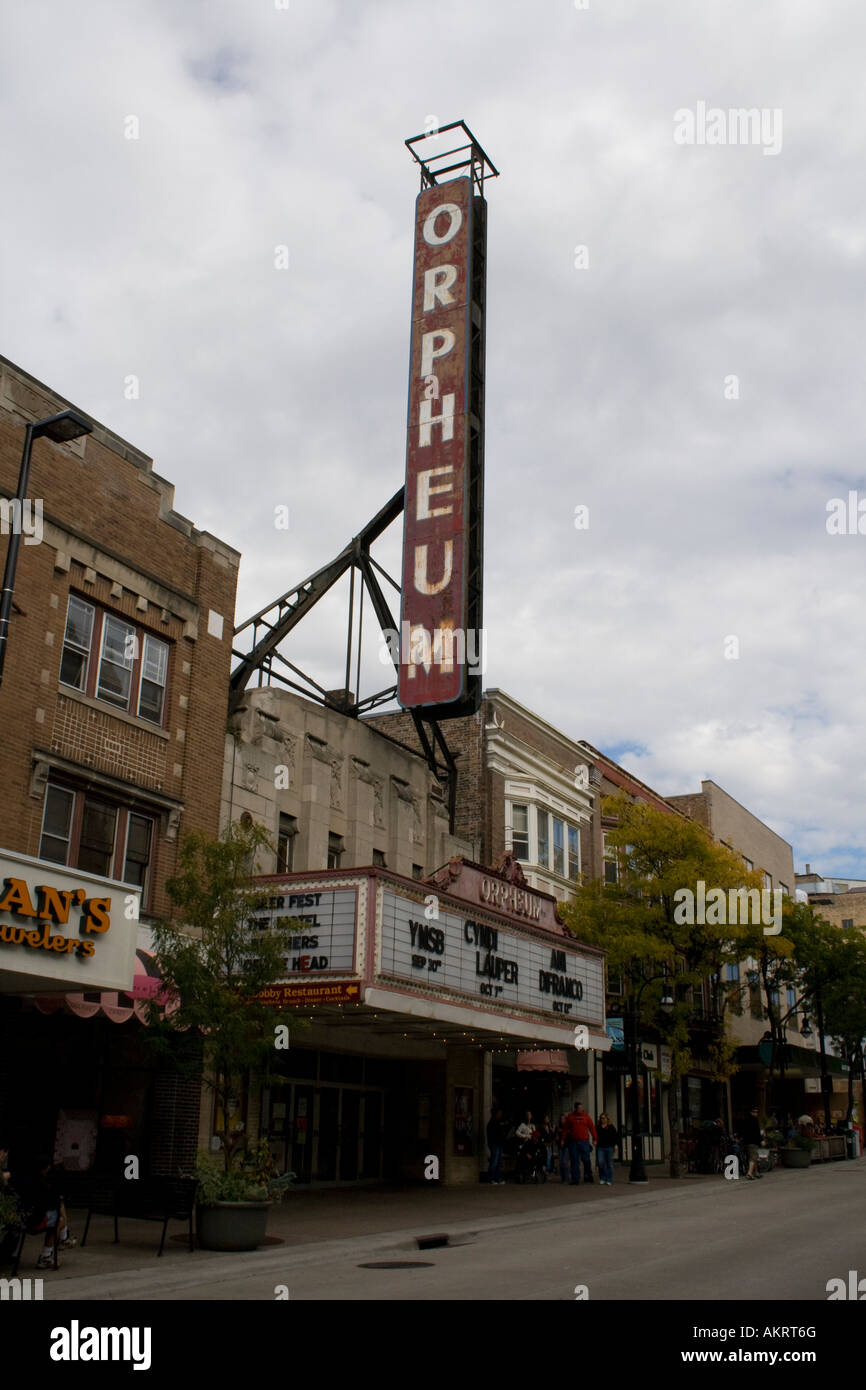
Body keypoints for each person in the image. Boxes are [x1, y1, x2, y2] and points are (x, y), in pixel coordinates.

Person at [561, 1102, 597, 1185]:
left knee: (586, 1159)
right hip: (573, 1142)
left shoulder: (586, 1117)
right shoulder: (570, 1117)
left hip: (584, 1141)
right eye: (579, 1108)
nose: (581, 1109)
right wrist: (562, 1139)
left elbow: (592, 1127)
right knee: (574, 1160)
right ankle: (575, 1179)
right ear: (575, 1108)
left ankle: (588, 1175)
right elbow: (565, 1129)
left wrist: (595, 1138)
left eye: (581, 1108)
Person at [596, 1113, 619, 1186]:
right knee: (601, 1162)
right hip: (601, 1147)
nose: (603, 1119)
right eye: (601, 1118)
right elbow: (595, 1136)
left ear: (607, 1119)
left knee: (609, 1164)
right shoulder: (598, 1127)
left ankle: (609, 1179)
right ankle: (602, 1178)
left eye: (604, 1118)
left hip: (609, 1147)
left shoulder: (611, 1127)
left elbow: (615, 1136)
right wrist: (594, 1140)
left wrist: (615, 1144)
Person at [486, 1107, 506, 1185]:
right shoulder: (492, 1123)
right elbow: (491, 1136)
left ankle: (497, 1178)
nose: (500, 1115)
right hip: (495, 1144)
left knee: (498, 1162)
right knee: (494, 1162)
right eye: (499, 1113)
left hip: (499, 1144)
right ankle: (491, 1178)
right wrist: (491, 1144)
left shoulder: (498, 1123)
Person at [743, 1107, 763, 1180]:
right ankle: (749, 1173)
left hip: (747, 1142)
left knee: (754, 1157)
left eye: (757, 1112)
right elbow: (757, 1132)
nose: (756, 1113)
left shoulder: (746, 1120)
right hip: (753, 1142)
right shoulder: (754, 1120)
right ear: (751, 1112)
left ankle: (756, 1172)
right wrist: (761, 1140)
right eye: (754, 1112)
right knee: (753, 1157)